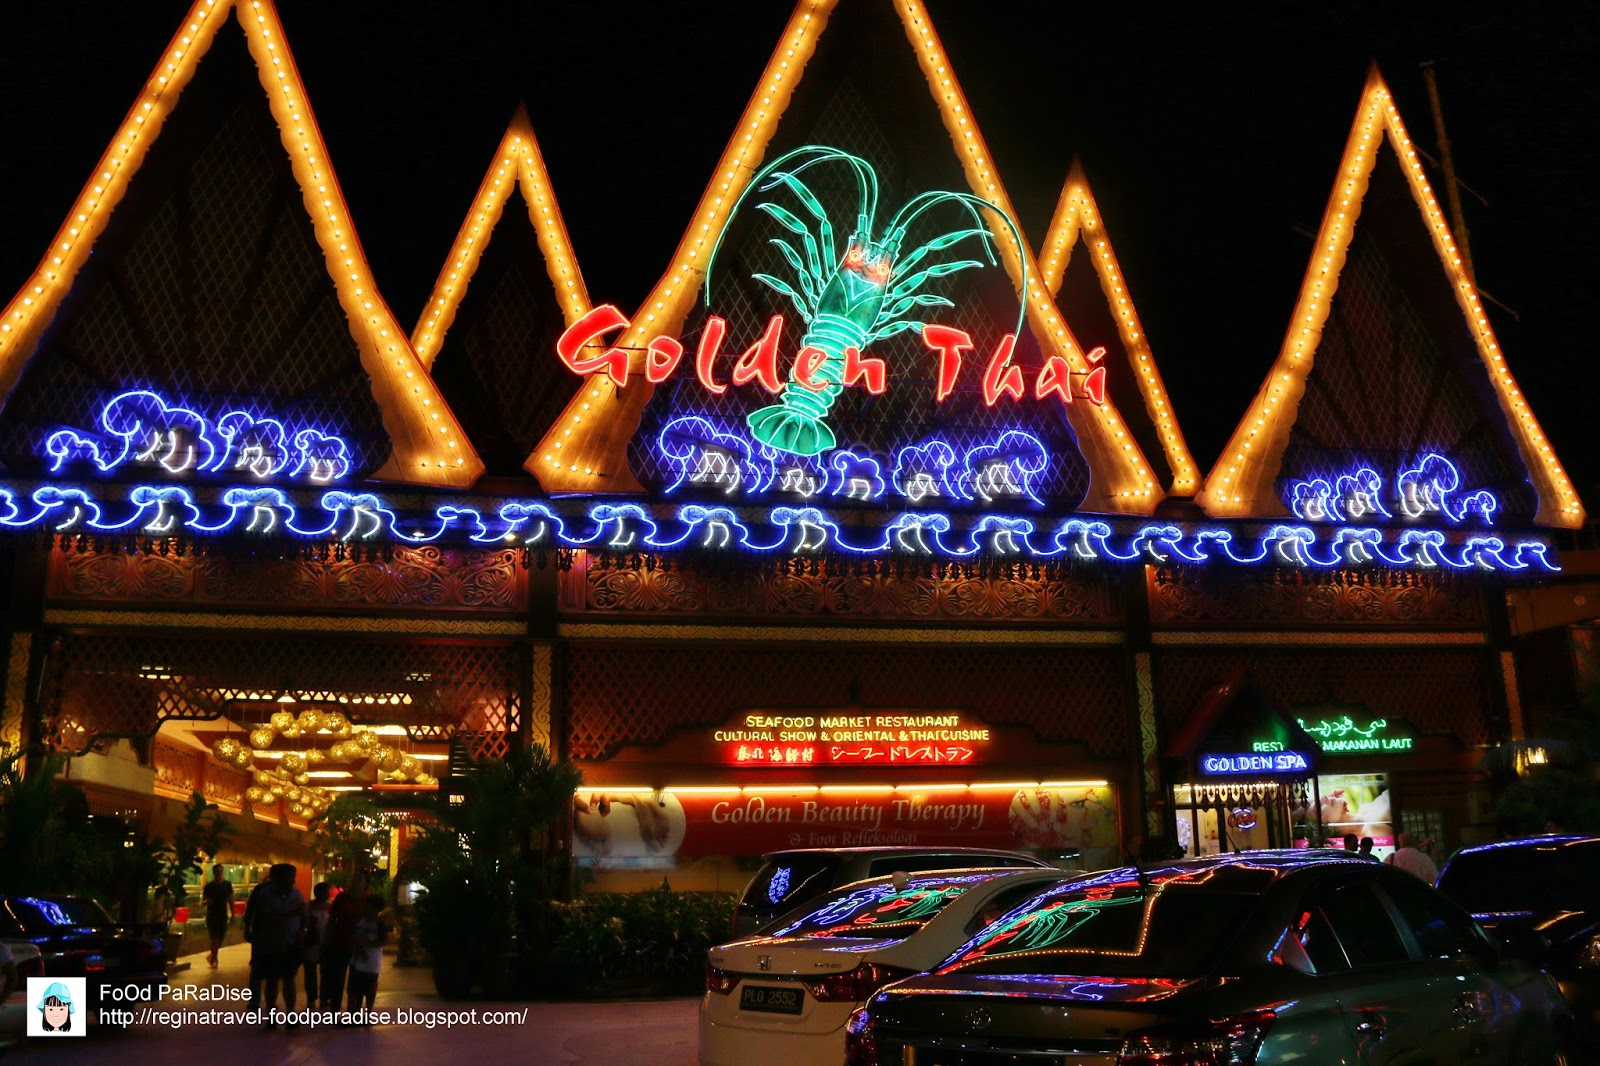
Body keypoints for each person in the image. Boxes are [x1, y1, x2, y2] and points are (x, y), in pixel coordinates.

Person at [243, 863, 307, 1028]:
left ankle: (291, 1015)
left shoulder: (297, 894)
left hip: (290, 943)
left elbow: (304, 915)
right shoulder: (265, 895)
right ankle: (271, 1016)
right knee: (272, 981)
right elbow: (268, 917)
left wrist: (303, 930)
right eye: (289, 877)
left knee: (289, 980)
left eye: (293, 877)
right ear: (277, 878)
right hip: (270, 943)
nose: (292, 881)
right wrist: (291, 915)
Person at [319, 872, 367, 1011]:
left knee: (357, 979)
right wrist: (326, 940)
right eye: (355, 879)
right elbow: (332, 919)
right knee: (337, 978)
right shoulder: (342, 898)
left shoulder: (366, 899)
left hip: (358, 945)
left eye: (360, 879)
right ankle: (335, 1007)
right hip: (339, 941)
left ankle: (354, 1010)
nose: (357, 883)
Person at [345, 894, 388, 1020]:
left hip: (371, 964)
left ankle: (368, 1014)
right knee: (353, 990)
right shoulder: (360, 920)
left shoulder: (379, 924)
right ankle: (352, 1014)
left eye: (368, 906)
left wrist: (365, 945)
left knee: (369, 990)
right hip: (357, 961)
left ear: (376, 909)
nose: (364, 908)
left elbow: (382, 941)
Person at [304, 882, 332, 1008]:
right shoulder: (308, 906)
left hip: (326, 943)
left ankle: (324, 997)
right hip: (311, 943)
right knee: (311, 972)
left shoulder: (330, 907)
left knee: (326, 972)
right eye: (325, 892)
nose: (327, 894)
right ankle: (312, 998)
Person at [202, 864, 234, 968]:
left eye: (220, 871)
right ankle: (215, 959)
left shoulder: (227, 885)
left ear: (222, 872)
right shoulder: (209, 886)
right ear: (214, 872)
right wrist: (207, 902)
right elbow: (203, 900)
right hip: (212, 914)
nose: (219, 873)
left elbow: (230, 899)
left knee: (220, 938)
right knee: (214, 938)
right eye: (217, 871)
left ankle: (212, 955)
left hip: (222, 914)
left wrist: (233, 914)